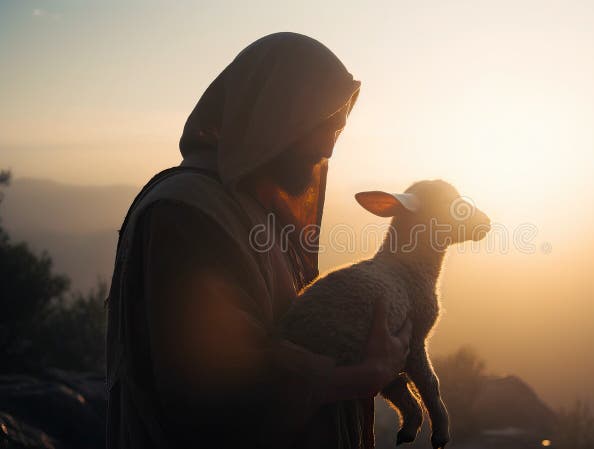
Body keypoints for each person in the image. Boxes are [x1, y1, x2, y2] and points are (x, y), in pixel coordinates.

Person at [106, 32, 412, 449]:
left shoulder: (251, 210)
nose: (328, 149)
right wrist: (364, 375)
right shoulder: (187, 215)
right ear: (274, 116)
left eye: (336, 129)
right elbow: (222, 397)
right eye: (319, 125)